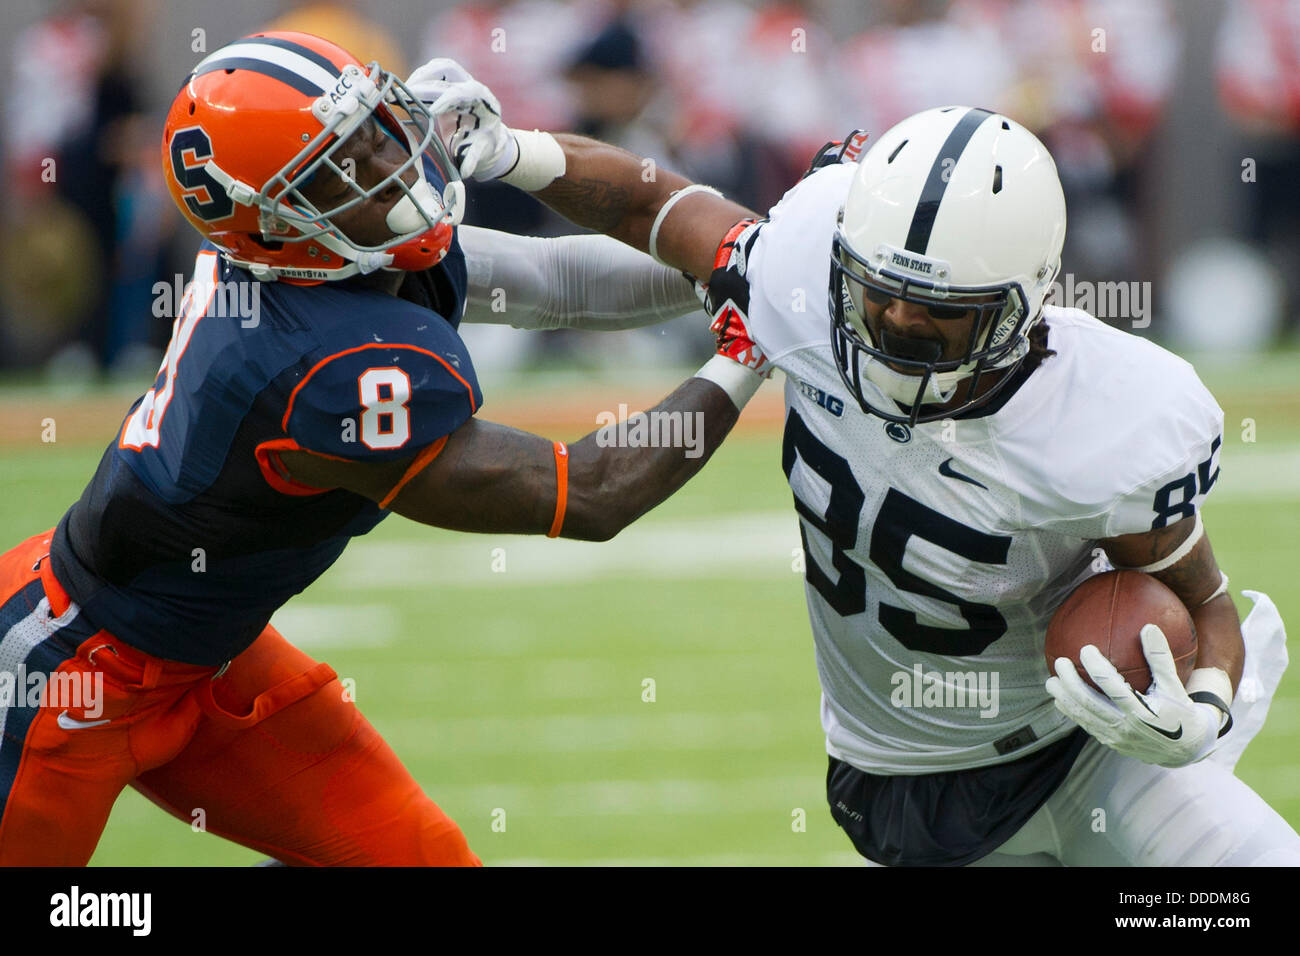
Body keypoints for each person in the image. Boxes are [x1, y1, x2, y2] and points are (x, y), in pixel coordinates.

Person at [420, 65, 1300, 864]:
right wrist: (511, 151)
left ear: (1023, 305)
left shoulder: (1109, 417)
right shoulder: (804, 268)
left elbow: (1207, 602)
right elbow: (649, 209)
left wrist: (1204, 711)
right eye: (877, 295)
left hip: (1085, 753)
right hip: (898, 785)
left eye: (938, 313)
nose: (896, 328)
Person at [0, 31, 770, 866]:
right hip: (65, 671)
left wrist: (758, 263)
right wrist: (746, 353)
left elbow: (563, 283)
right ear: (276, 221)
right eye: (340, 167)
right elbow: (589, 493)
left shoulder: (329, 254)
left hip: (212, 651)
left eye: (373, 128)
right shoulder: (320, 364)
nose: (389, 166)